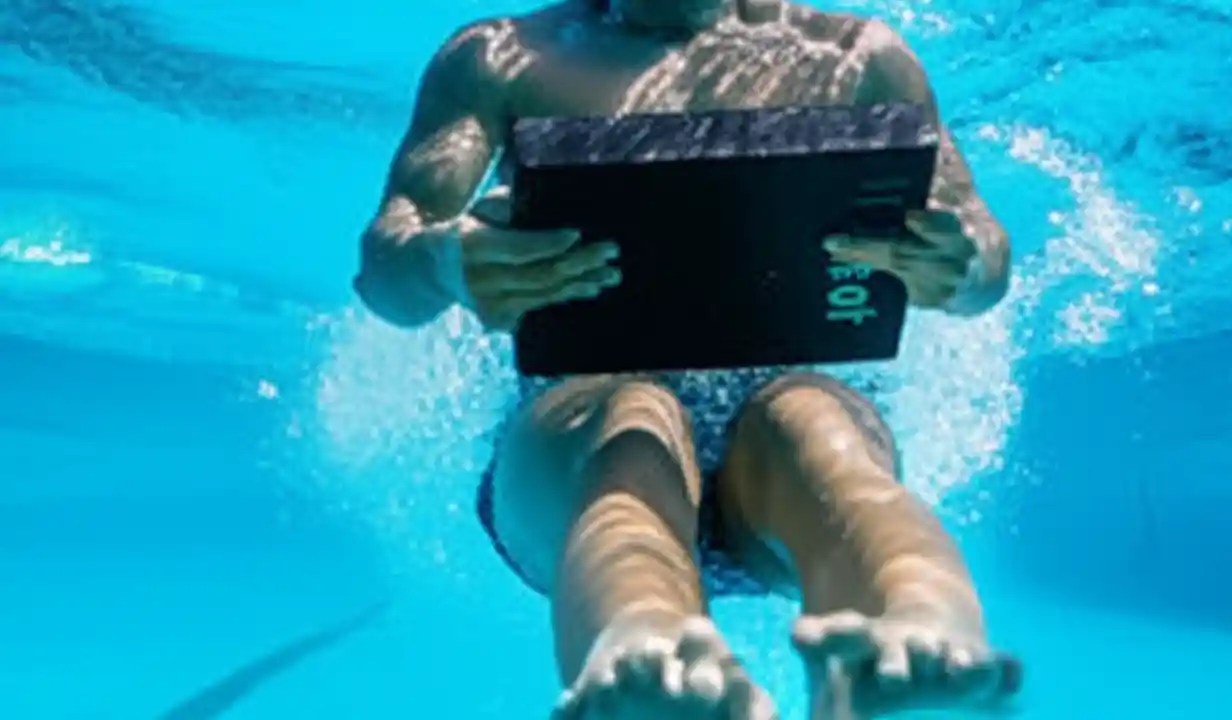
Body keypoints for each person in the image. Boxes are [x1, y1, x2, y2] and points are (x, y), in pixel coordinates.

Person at [354, 0, 1018, 717]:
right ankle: (648, 652)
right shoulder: (501, 58)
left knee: (812, 423)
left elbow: (980, 245)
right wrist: (445, 263)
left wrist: (962, 264)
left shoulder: (858, 58)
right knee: (631, 424)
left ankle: (908, 636)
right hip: (571, 443)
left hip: (784, 464)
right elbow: (387, 264)